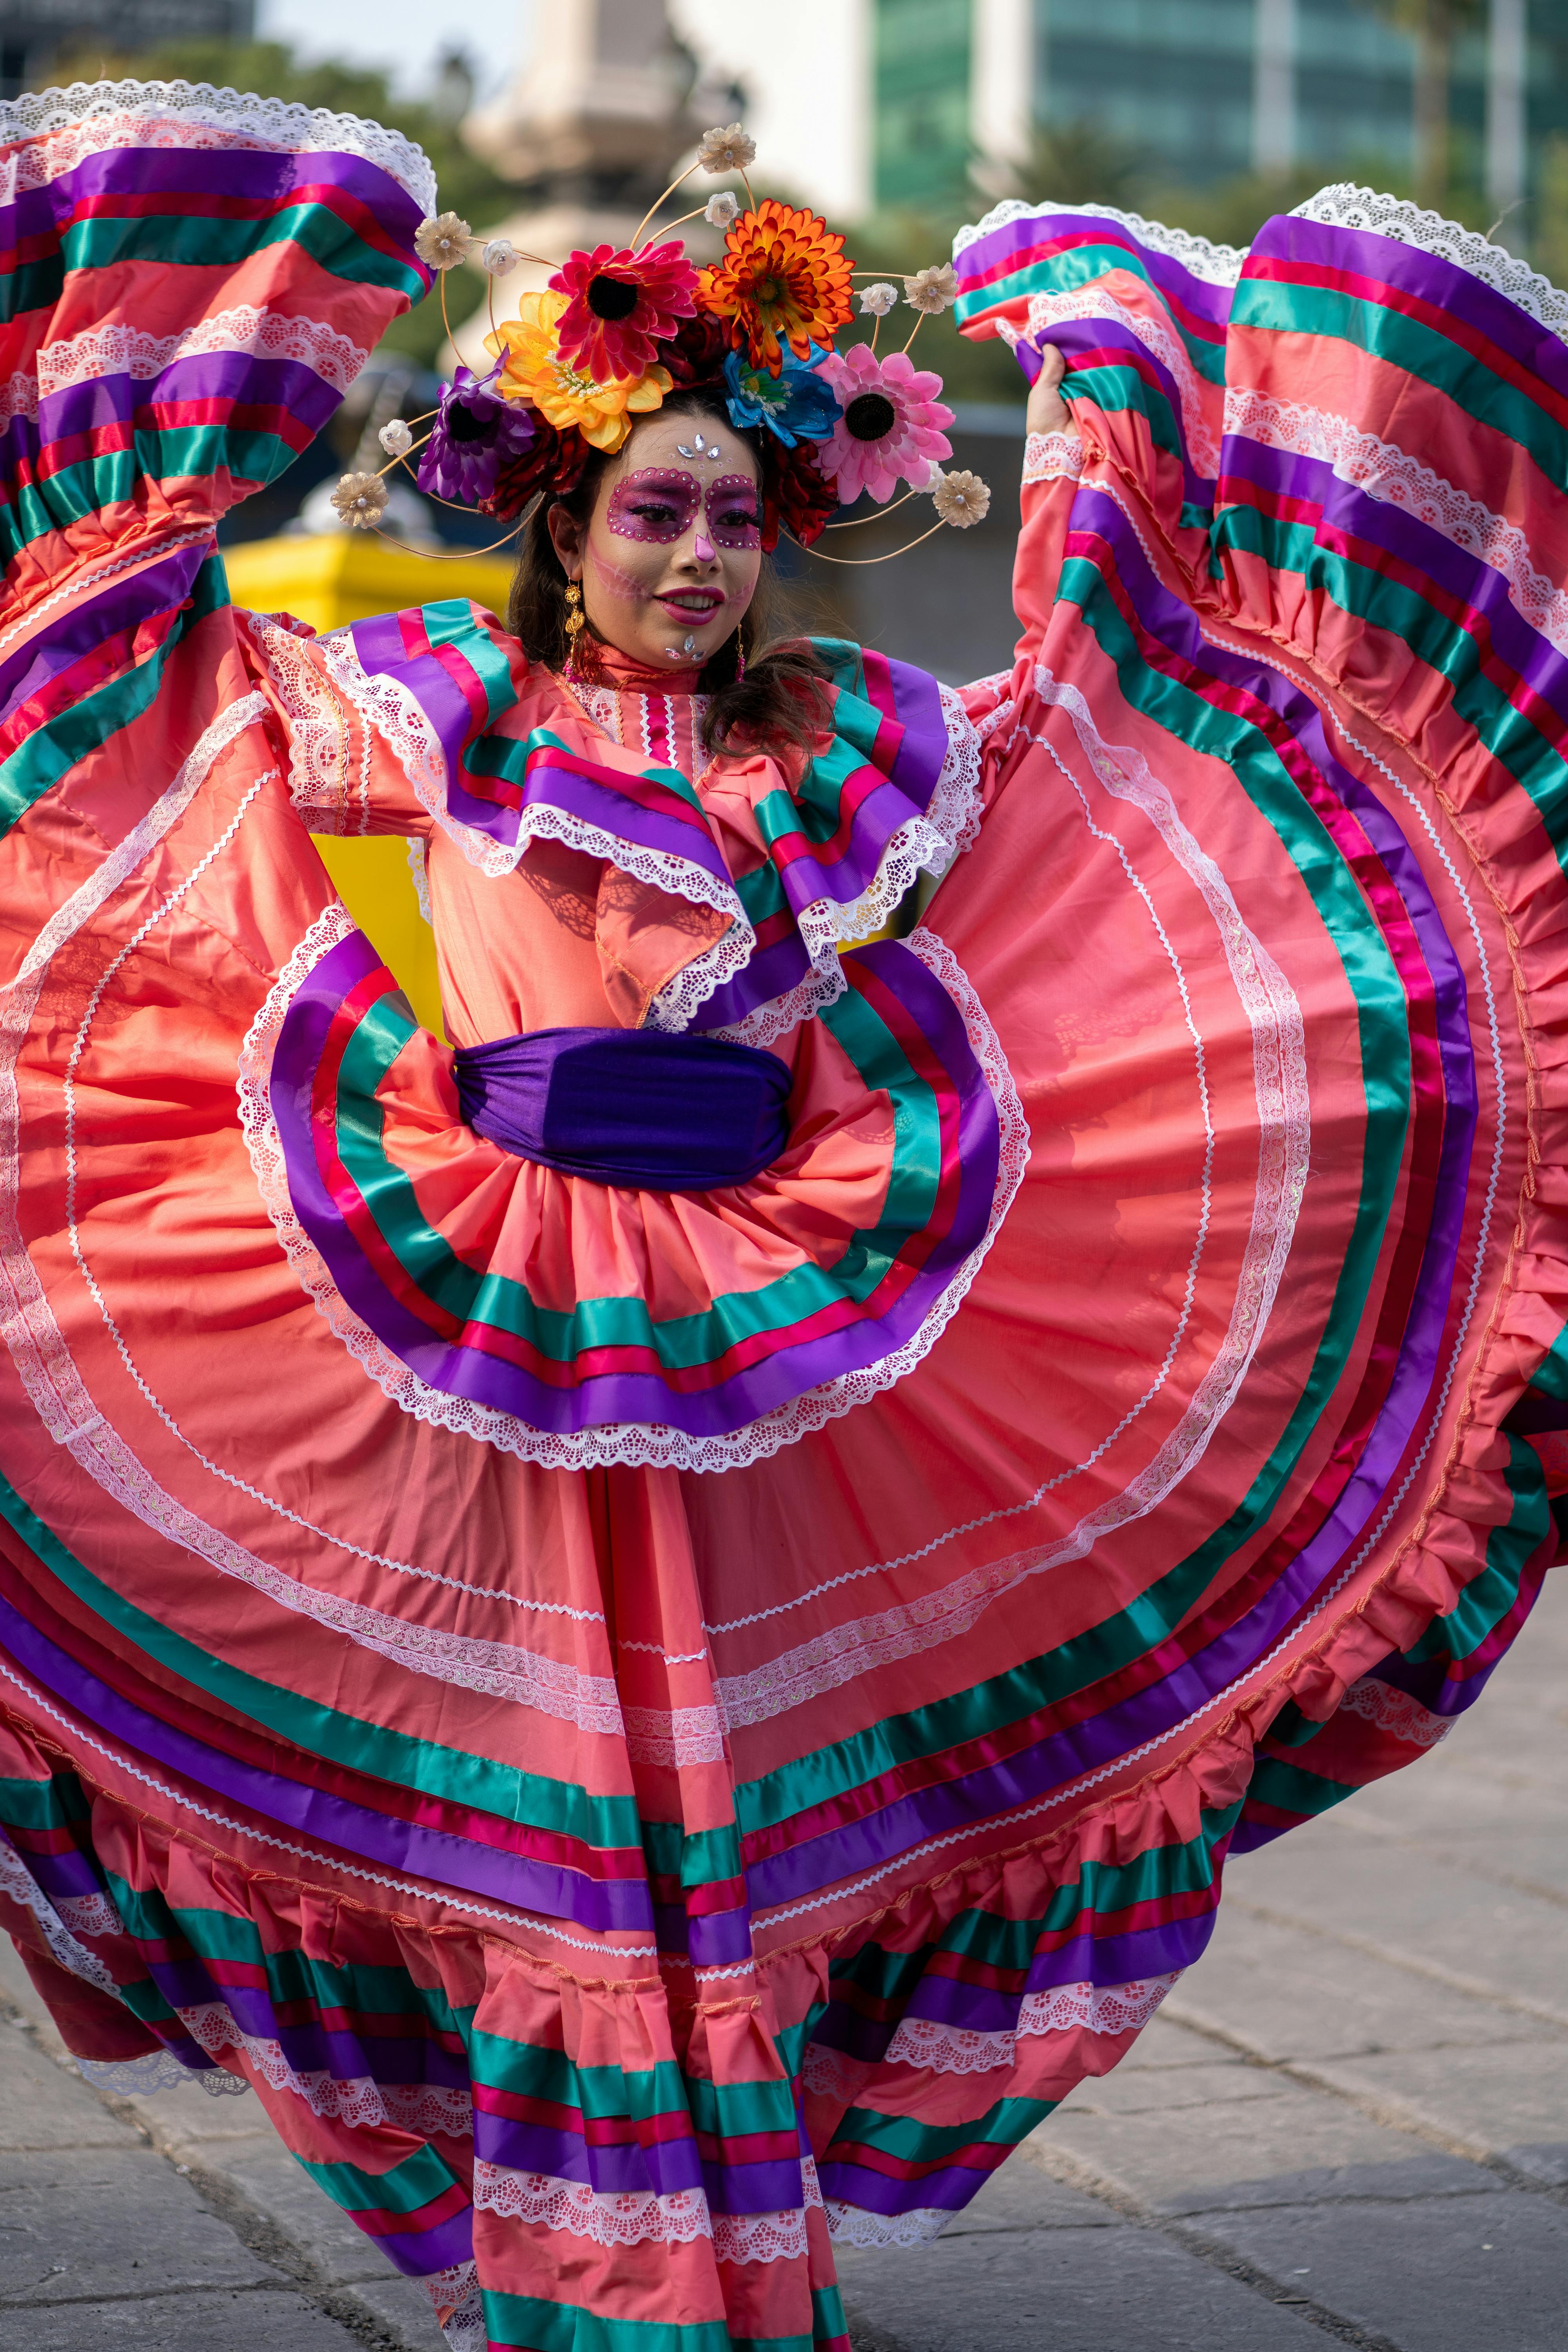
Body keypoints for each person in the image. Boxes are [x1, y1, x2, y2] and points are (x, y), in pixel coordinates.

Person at [0, 79, 1562, 2352]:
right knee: (538, 1822)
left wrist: (1122, 449)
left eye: (735, 514)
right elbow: (163, 741)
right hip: (486, 1328)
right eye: (656, 509)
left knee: (708, 1826)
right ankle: (584, 2246)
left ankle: (708, 2239)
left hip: (764, 1334)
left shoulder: (856, 745)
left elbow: (1062, 823)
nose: (701, 555)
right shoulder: (416, 711)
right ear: (563, 512)